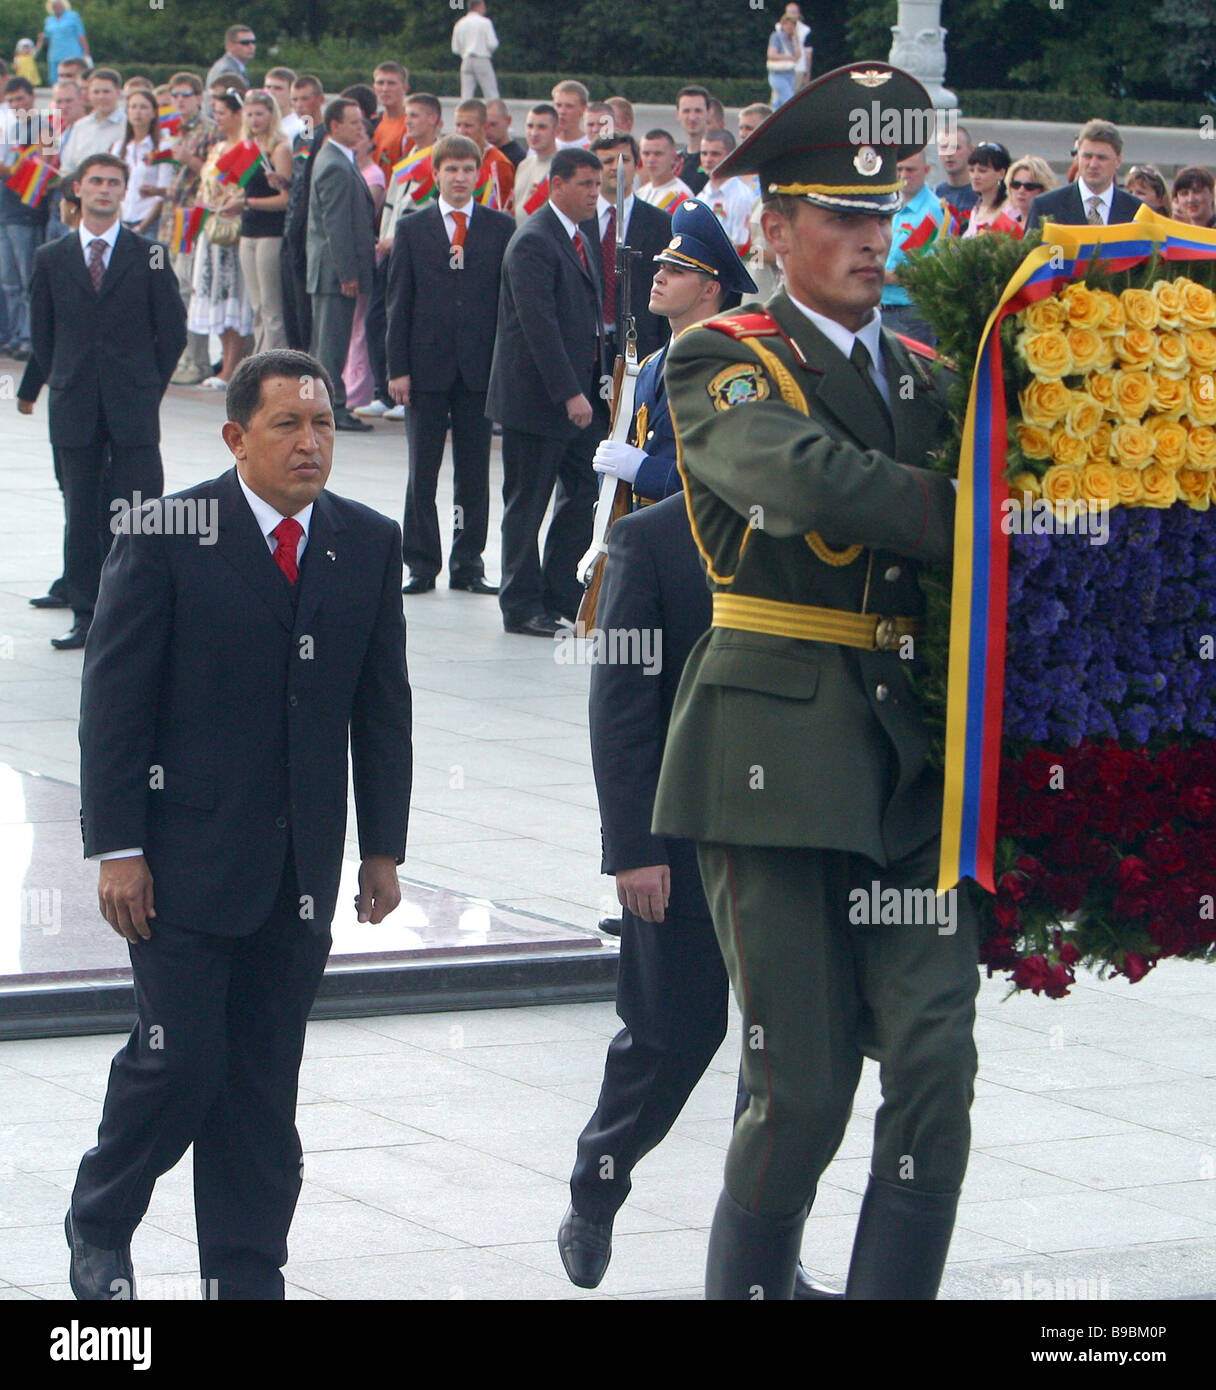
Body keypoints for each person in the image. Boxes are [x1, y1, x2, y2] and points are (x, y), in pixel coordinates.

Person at [652, 61, 977, 1301]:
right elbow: (801, 479)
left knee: (936, 1060)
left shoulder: (926, 374)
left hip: (910, 761)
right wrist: (975, 511)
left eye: (879, 218)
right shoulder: (720, 358)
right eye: (837, 219)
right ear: (773, 231)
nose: (864, 241)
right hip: (774, 757)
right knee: (803, 1083)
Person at [64, 348, 412, 1302]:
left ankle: (246, 1270)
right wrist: (119, 847)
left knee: (263, 1085)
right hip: (180, 868)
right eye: (287, 426)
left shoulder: (368, 542)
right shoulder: (169, 532)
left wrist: (381, 846)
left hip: (298, 868)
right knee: (179, 1063)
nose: (311, 443)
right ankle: (100, 1219)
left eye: (325, 424)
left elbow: (382, 706)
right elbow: (116, 701)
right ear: (234, 436)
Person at [29, 151, 185, 652]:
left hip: (133, 404)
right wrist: (60, 380)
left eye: (113, 182)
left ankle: (137, 608)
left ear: (125, 191)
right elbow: (43, 335)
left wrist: (147, 386)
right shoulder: (51, 258)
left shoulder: (151, 253)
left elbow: (173, 333)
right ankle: (85, 611)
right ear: (77, 188)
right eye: (94, 181)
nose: (103, 189)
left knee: (139, 509)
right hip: (74, 405)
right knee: (81, 509)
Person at [387, 133, 514, 596]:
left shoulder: (500, 228)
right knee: (422, 468)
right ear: (435, 174)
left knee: (474, 468)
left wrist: (505, 365)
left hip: (479, 370)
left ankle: (468, 561)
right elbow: (398, 302)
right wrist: (397, 367)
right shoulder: (413, 228)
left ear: (478, 175)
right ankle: (421, 562)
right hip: (425, 367)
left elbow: (506, 303)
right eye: (451, 170)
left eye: (467, 170)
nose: (459, 178)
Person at [486, 146, 603, 635]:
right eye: (586, 185)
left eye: (598, 185)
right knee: (527, 501)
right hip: (539, 401)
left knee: (581, 493)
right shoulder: (534, 240)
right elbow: (539, 327)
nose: (596, 194)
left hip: (578, 396)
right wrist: (569, 393)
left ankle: (560, 588)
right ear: (557, 185)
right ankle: (520, 601)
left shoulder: (579, 235)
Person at [307, 97, 377, 433]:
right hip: (334, 273)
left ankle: (326, 405)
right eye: (354, 122)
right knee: (330, 346)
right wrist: (347, 273)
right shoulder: (334, 163)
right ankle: (330, 408)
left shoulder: (339, 159)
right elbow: (336, 225)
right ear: (335, 126)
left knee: (330, 343)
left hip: (334, 271)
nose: (361, 128)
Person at [581, 133, 671, 371]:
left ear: (637, 164)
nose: (614, 168)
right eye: (606, 161)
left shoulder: (661, 224)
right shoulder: (576, 220)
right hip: (585, 350)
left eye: (624, 160)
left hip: (639, 349)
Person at [191, 89, 254, 389]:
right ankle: (225, 365)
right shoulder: (217, 147)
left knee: (234, 297)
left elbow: (241, 189)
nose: (217, 118)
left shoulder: (247, 147)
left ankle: (232, 367)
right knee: (215, 295)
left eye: (222, 112)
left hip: (234, 227)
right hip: (212, 226)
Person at [160, 71, 219, 386]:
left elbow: (216, 174)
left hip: (192, 221)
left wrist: (190, 160)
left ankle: (196, 359)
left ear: (199, 97)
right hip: (170, 219)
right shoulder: (172, 129)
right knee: (170, 291)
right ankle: (178, 357)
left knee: (189, 291)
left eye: (186, 95)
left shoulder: (209, 130)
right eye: (176, 95)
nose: (180, 101)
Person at [233, 91, 292, 353]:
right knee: (256, 305)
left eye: (260, 113)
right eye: (250, 114)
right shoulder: (247, 146)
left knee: (272, 306)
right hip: (248, 230)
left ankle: (273, 360)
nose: (255, 119)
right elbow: (244, 188)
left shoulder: (280, 148)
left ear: (271, 115)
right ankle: (260, 359)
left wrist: (248, 203)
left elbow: (285, 199)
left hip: (271, 232)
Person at [0, 78, 49, 363]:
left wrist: (8, 170)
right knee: (9, 281)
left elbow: (44, 166)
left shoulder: (44, 125)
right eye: (12, 100)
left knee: (27, 277)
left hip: (27, 211)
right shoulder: (12, 128)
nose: (17, 104)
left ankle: (30, 336)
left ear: (32, 97)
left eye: (21, 98)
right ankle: (16, 334)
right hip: (6, 208)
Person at [342, 117, 387, 409]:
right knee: (349, 324)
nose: (356, 140)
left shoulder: (374, 174)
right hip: (352, 250)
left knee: (362, 323)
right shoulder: (349, 170)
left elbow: (363, 211)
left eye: (362, 135)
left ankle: (359, 388)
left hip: (369, 252)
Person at [1024, 120, 1142, 233]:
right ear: (1077, 158)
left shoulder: (1138, 211)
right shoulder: (1046, 207)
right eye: (1087, 156)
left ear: (1118, 161)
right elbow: (1029, 253)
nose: (1093, 164)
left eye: (1101, 158)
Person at [281, 74, 326, 354]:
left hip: (307, 230)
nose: (298, 105)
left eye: (304, 98)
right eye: (294, 99)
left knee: (305, 307)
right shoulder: (300, 137)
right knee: (290, 306)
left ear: (319, 100)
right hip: (289, 226)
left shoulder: (323, 137)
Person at [882, 149, 944, 345]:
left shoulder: (932, 212)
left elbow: (921, 272)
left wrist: (875, 273)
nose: (903, 175)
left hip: (911, 314)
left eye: (911, 170)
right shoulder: (888, 202)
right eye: (899, 169)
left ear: (926, 170)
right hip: (880, 307)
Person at [112, 89, 172, 236]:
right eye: (133, 107)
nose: (137, 112)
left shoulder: (162, 148)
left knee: (154, 258)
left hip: (149, 220)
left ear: (153, 113)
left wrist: (143, 226)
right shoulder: (120, 147)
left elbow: (164, 189)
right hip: (123, 218)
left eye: (143, 107)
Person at [453, 97, 515, 212]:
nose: (461, 131)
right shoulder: (450, 157)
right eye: (458, 125)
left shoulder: (498, 164)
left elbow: (502, 213)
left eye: (468, 126)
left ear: (485, 127)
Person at [699, 130, 753, 255]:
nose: (708, 159)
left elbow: (742, 247)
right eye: (704, 153)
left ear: (731, 155)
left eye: (715, 154)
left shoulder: (742, 197)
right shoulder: (701, 196)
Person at [960, 140, 1021, 239]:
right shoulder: (976, 209)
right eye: (971, 170)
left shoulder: (1011, 209)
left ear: (1001, 173)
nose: (975, 176)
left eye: (982, 170)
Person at [513, 102, 558, 226]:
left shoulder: (562, 166)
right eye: (530, 126)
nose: (534, 133)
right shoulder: (523, 165)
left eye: (541, 127)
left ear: (556, 130)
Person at [67, 67, 126, 162]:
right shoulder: (80, 126)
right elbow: (67, 166)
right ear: (89, 94)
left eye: (106, 92)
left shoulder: (128, 126)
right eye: (96, 92)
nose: (101, 97)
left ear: (118, 92)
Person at [934, 120, 978, 231]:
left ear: (971, 150)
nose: (949, 153)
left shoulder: (982, 194)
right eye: (944, 147)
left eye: (956, 148)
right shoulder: (935, 196)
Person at [452, 0, 499, 101]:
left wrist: (463, 52)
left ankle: (463, 115)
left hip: (466, 60)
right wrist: (488, 52)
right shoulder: (485, 22)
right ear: (480, 6)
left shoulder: (460, 23)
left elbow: (455, 48)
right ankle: (495, 115)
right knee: (491, 94)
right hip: (482, 59)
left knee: (466, 95)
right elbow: (493, 44)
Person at [637, 129, 692, 213]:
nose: (651, 160)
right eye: (646, 154)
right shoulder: (640, 194)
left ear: (673, 157)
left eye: (658, 154)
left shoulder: (682, 197)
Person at [36, 1, 89, 86]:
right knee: (55, 78)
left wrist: (86, 52)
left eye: (59, 5)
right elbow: (46, 38)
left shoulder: (73, 16)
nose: (57, 7)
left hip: (72, 52)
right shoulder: (49, 20)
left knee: (74, 76)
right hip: (54, 53)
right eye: (54, 6)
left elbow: (81, 35)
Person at [674, 85, 712, 195]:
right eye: (686, 111)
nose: (692, 117)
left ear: (708, 113)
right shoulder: (673, 162)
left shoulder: (718, 159)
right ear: (678, 114)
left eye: (698, 111)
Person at [1004, 154, 1056, 230]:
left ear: (1044, 189)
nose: (1021, 191)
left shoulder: (1052, 225)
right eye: (1016, 185)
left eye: (1029, 186)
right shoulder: (1005, 225)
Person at [206, 22, 256, 91]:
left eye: (253, 42)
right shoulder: (227, 70)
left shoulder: (235, 67)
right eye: (245, 43)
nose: (251, 46)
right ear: (230, 45)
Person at [767, 16, 799, 110]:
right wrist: (788, 57)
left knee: (778, 102)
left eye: (792, 24)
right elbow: (771, 54)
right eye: (787, 24)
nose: (789, 26)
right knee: (789, 99)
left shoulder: (793, 39)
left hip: (790, 74)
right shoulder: (777, 36)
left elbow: (797, 57)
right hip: (778, 73)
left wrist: (795, 40)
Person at [264, 67, 302, 143]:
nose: (270, 92)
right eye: (268, 87)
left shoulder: (300, 128)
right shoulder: (258, 124)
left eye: (278, 88)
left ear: (292, 93)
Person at [485, 98, 524, 167]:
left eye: (493, 124)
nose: (487, 129)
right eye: (484, 125)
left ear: (508, 121)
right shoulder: (480, 154)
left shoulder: (519, 159)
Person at [552, 80, 591, 149]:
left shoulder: (591, 146)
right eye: (558, 105)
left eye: (569, 106)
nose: (562, 111)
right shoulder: (542, 144)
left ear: (584, 109)